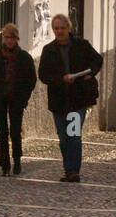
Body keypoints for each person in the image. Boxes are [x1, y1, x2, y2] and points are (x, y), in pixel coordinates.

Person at [38, 13, 102, 183]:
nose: (59, 31)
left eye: (62, 28)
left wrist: (90, 74)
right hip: (59, 102)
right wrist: (61, 79)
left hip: (77, 100)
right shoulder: (49, 50)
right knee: (63, 137)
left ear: (69, 28)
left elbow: (97, 60)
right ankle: (68, 169)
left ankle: (73, 171)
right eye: (56, 28)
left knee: (73, 135)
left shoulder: (82, 45)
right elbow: (43, 75)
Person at [0, 23, 37, 176]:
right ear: (3, 38)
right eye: (6, 38)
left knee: (15, 131)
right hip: (0, 100)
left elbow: (31, 79)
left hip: (17, 99)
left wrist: (24, 97)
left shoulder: (24, 57)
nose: (9, 41)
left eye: (12, 38)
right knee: (2, 133)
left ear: (16, 39)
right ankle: (4, 165)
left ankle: (17, 160)